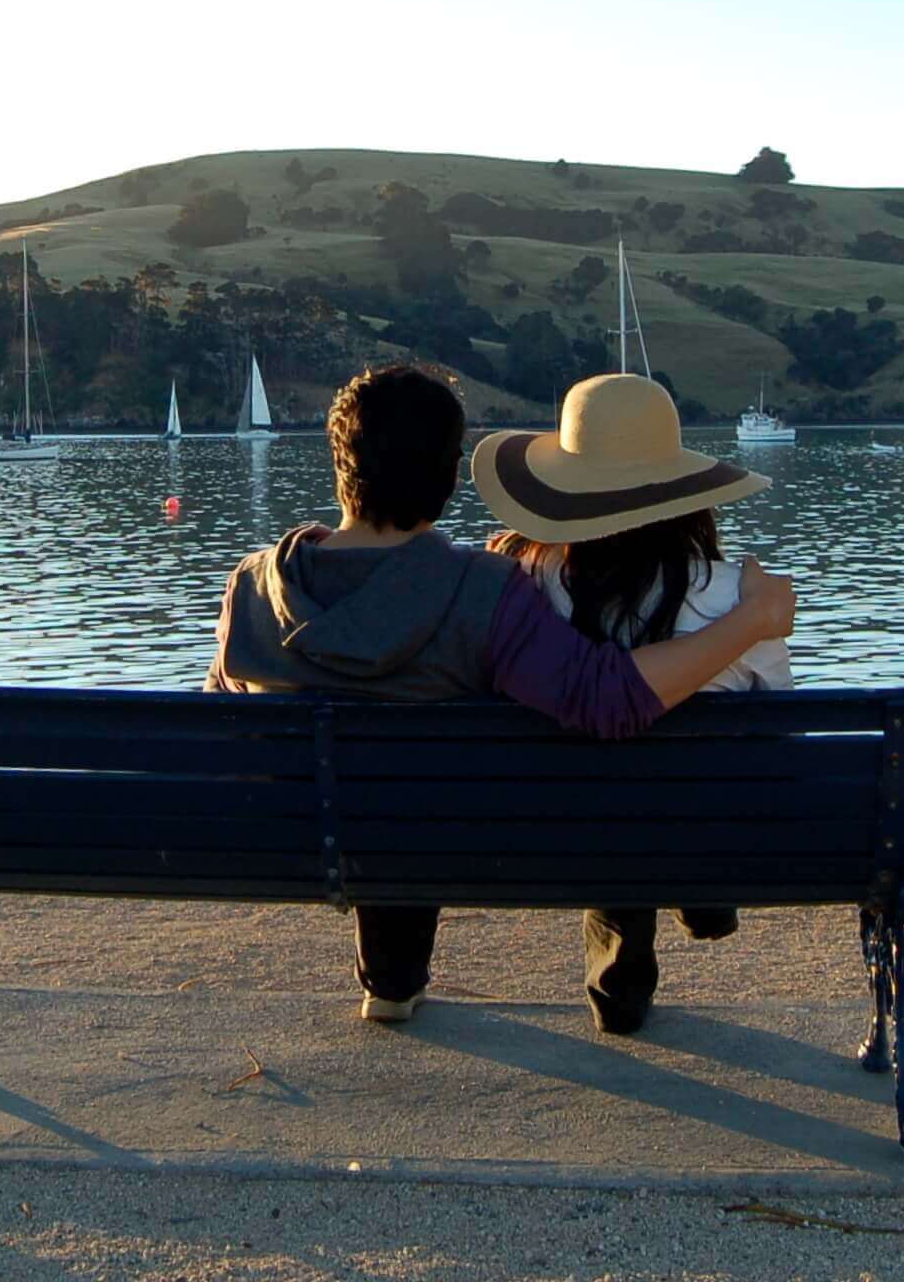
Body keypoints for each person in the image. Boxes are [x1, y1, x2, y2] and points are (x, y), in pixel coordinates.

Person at [209, 363, 795, 1030]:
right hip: (450, 836)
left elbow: (219, 722)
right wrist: (753, 620)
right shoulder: (483, 592)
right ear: (450, 473)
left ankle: (392, 981)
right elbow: (603, 698)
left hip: (296, 837)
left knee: (369, 786)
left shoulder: (253, 585)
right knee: (409, 793)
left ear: (341, 462)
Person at [472, 372, 787, 1031]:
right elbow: (776, 725)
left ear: (562, 490)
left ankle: (620, 983)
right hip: (704, 828)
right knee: (691, 780)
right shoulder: (738, 598)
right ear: (682, 490)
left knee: (602, 789)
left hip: (561, 831)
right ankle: (701, 887)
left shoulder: (515, 586)